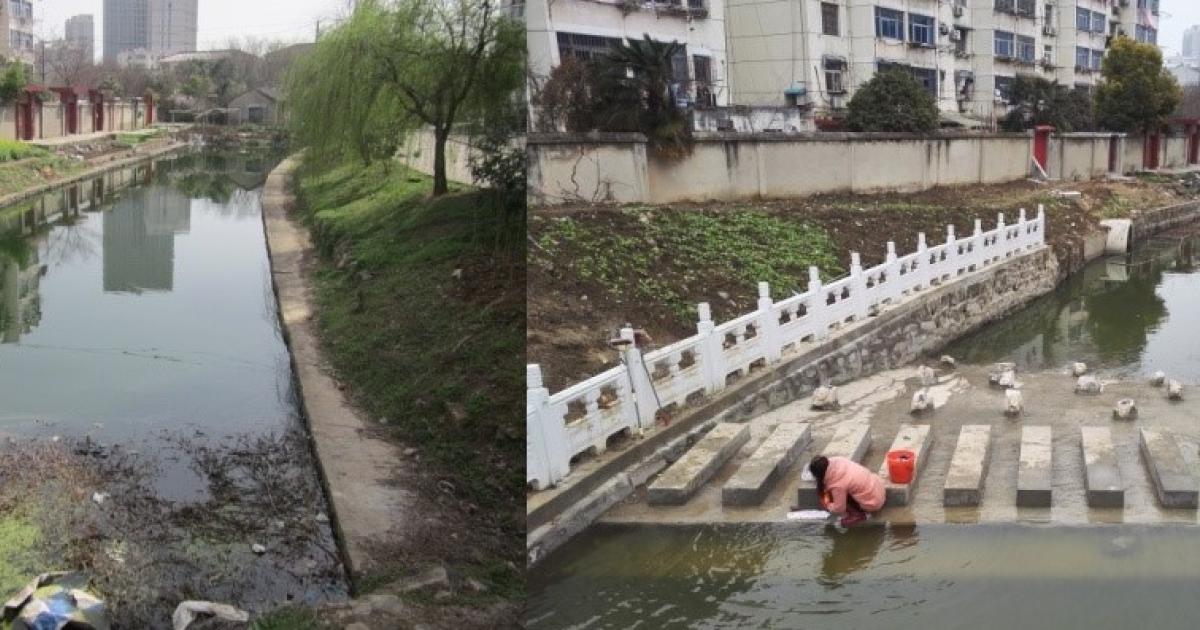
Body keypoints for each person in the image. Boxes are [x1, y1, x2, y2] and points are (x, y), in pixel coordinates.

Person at [809, 455, 885, 527]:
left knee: (842, 519)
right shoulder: (838, 460)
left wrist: (828, 506)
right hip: (878, 487)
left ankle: (857, 515)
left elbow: (839, 508)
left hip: (873, 502)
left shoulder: (837, 485)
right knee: (840, 490)